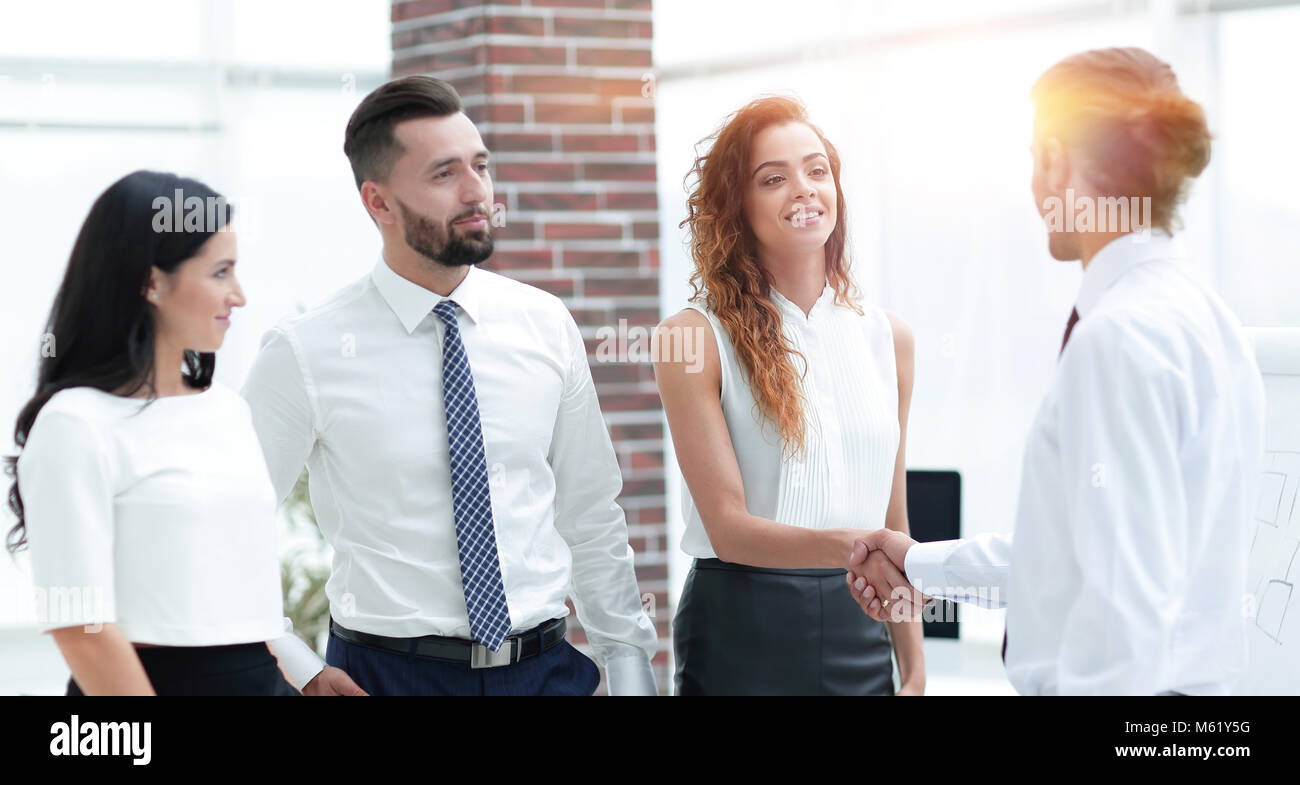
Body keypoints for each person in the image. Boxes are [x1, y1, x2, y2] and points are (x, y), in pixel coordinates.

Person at [847, 47, 1266, 696]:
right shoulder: (1212, 322)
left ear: (1055, 160)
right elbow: (1072, 554)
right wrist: (919, 563)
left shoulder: (1117, 338)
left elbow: (1121, 627)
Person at [245, 75, 659, 696]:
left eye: (480, 166)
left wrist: (629, 675)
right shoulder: (304, 351)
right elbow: (229, 527)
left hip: (549, 673)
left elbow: (592, 513)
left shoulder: (544, 324)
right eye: (444, 175)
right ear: (377, 203)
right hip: (384, 678)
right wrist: (297, 667)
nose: (477, 193)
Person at [654, 95, 925, 695]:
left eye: (817, 170)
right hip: (742, 632)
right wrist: (860, 548)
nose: (803, 189)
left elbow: (893, 517)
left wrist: (915, 672)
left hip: (863, 627)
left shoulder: (890, 338)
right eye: (772, 179)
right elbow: (728, 527)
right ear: (737, 207)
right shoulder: (692, 339)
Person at [5, 170, 299, 696]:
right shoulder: (75, 423)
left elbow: (238, 593)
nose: (240, 296)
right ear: (151, 281)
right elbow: (81, 628)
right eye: (221, 272)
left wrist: (300, 676)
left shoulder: (228, 410)